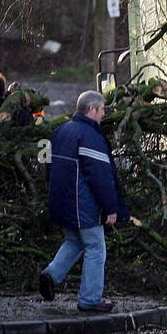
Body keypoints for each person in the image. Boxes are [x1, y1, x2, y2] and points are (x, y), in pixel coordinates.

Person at [40, 90, 129, 313]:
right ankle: (90, 299)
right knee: (96, 247)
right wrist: (111, 208)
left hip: (62, 202)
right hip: (83, 205)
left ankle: (51, 275)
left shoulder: (61, 131)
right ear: (92, 109)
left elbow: (49, 169)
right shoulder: (90, 136)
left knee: (73, 242)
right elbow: (100, 177)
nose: (104, 114)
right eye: (102, 109)